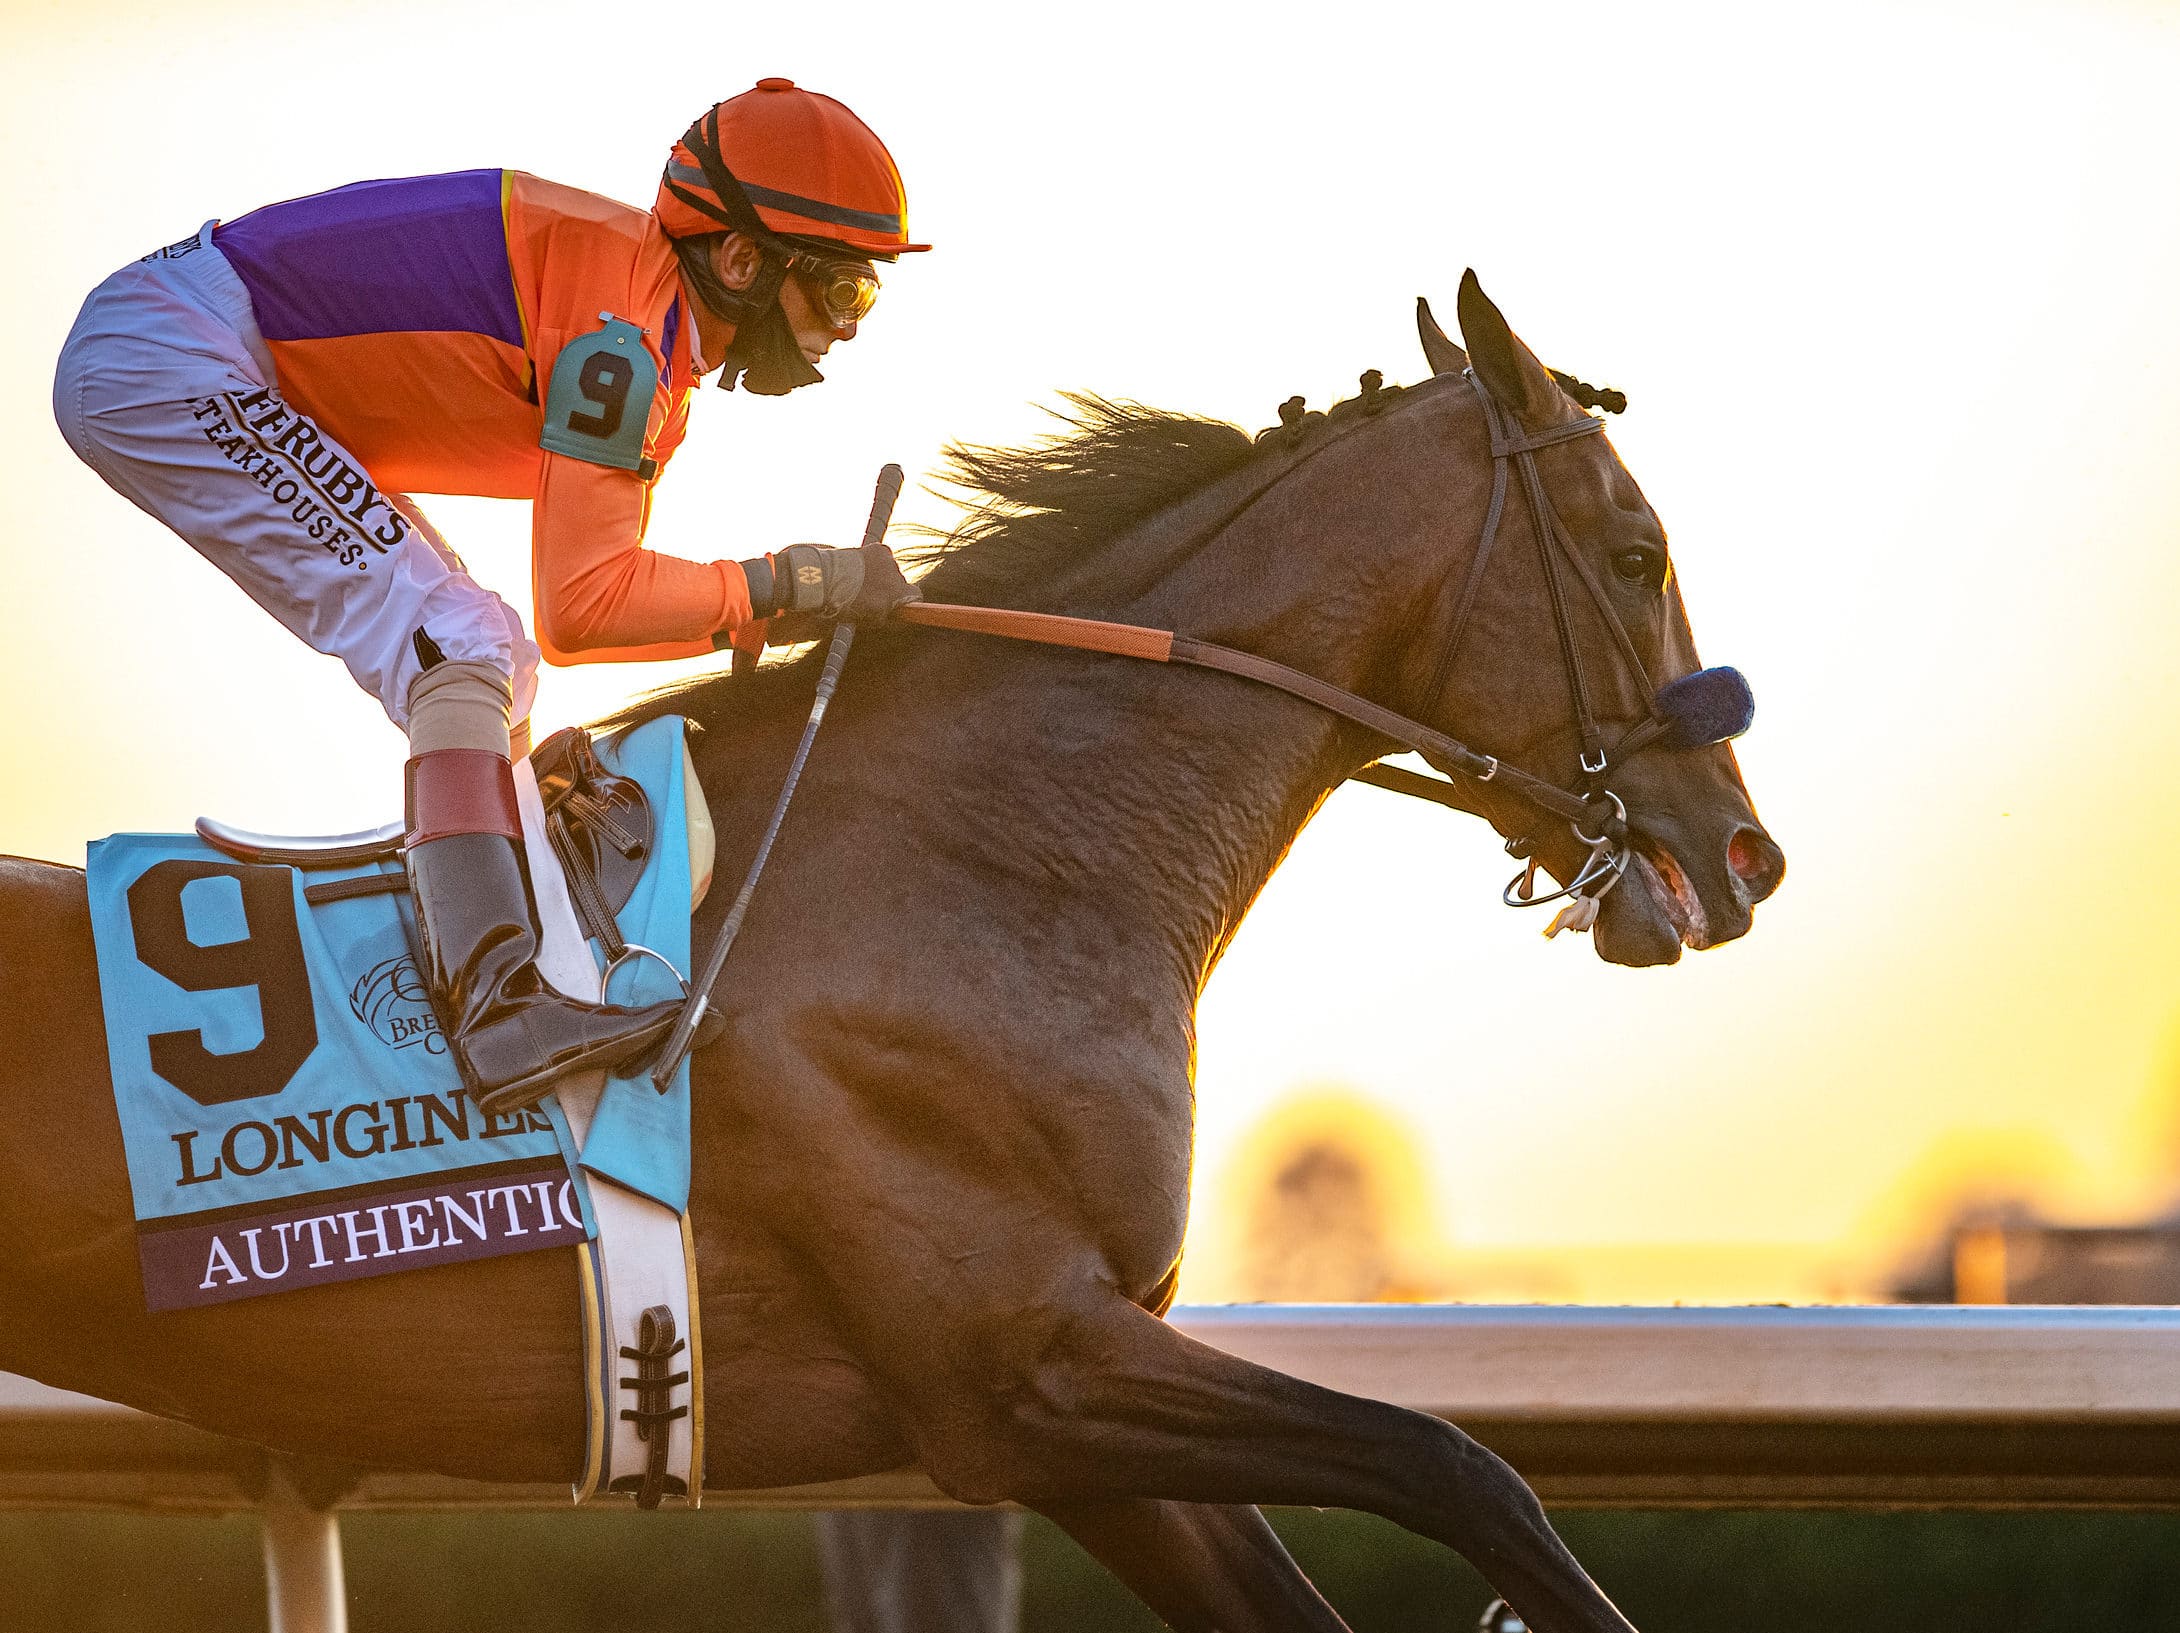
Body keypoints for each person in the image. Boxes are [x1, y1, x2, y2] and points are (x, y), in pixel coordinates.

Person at [51, 78, 925, 1112]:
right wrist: (796, 582)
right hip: (170, 356)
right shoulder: (620, 339)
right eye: (841, 291)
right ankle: (495, 1002)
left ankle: (510, 966)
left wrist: (766, 603)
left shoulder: (642, 325)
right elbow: (587, 606)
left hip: (195, 347)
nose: (851, 327)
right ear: (741, 259)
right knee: (459, 637)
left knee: (488, 651)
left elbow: (574, 617)